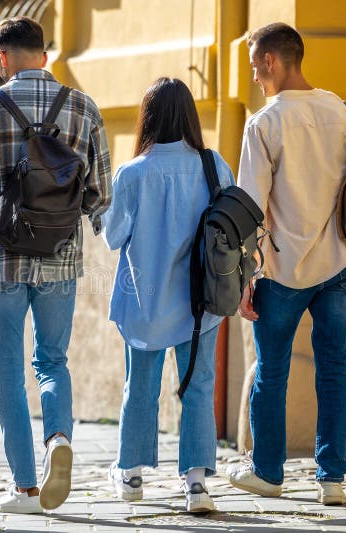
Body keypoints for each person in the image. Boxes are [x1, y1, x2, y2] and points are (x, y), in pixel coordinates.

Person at [0, 16, 112, 514]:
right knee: (53, 361)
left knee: (9, 370)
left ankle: (25, 490)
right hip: (61, 254)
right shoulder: (83, 108)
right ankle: (58, 437)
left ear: (0, 59)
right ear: (44, 55)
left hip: (3, 253)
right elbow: (100, 195)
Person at [227, 22, 346, 506]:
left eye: (254, 68)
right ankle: (333, 480)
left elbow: (248, 207)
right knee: (334, 369)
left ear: (270, 61)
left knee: (272, 370)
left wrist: (245, 276)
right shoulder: (345, 112)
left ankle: (267, 472)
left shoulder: (264, 123)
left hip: (283, 270)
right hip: (342, 263)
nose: (255, 79)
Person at [101, 77, 234, 514]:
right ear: (191, 116)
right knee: (198, 387)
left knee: (139, 386)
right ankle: (196, 484)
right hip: (202, 302)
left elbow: (114, 235)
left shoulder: (132, 173)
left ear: (148, 118)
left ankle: (132, 475)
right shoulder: (214, 165)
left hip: (147, 300)